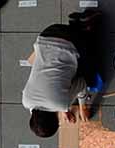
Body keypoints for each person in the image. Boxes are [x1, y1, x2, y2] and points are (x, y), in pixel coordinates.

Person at [21, 9, 103, 138]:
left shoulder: (62, 103)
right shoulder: (26, 102)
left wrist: (83, 108)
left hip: (69, 41)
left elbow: (82, 84)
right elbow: (45, 99)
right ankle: (75, 23)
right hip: (47, 35)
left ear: (56, 120)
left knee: (90, 77)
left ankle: (85, 26)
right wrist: (63, 109)